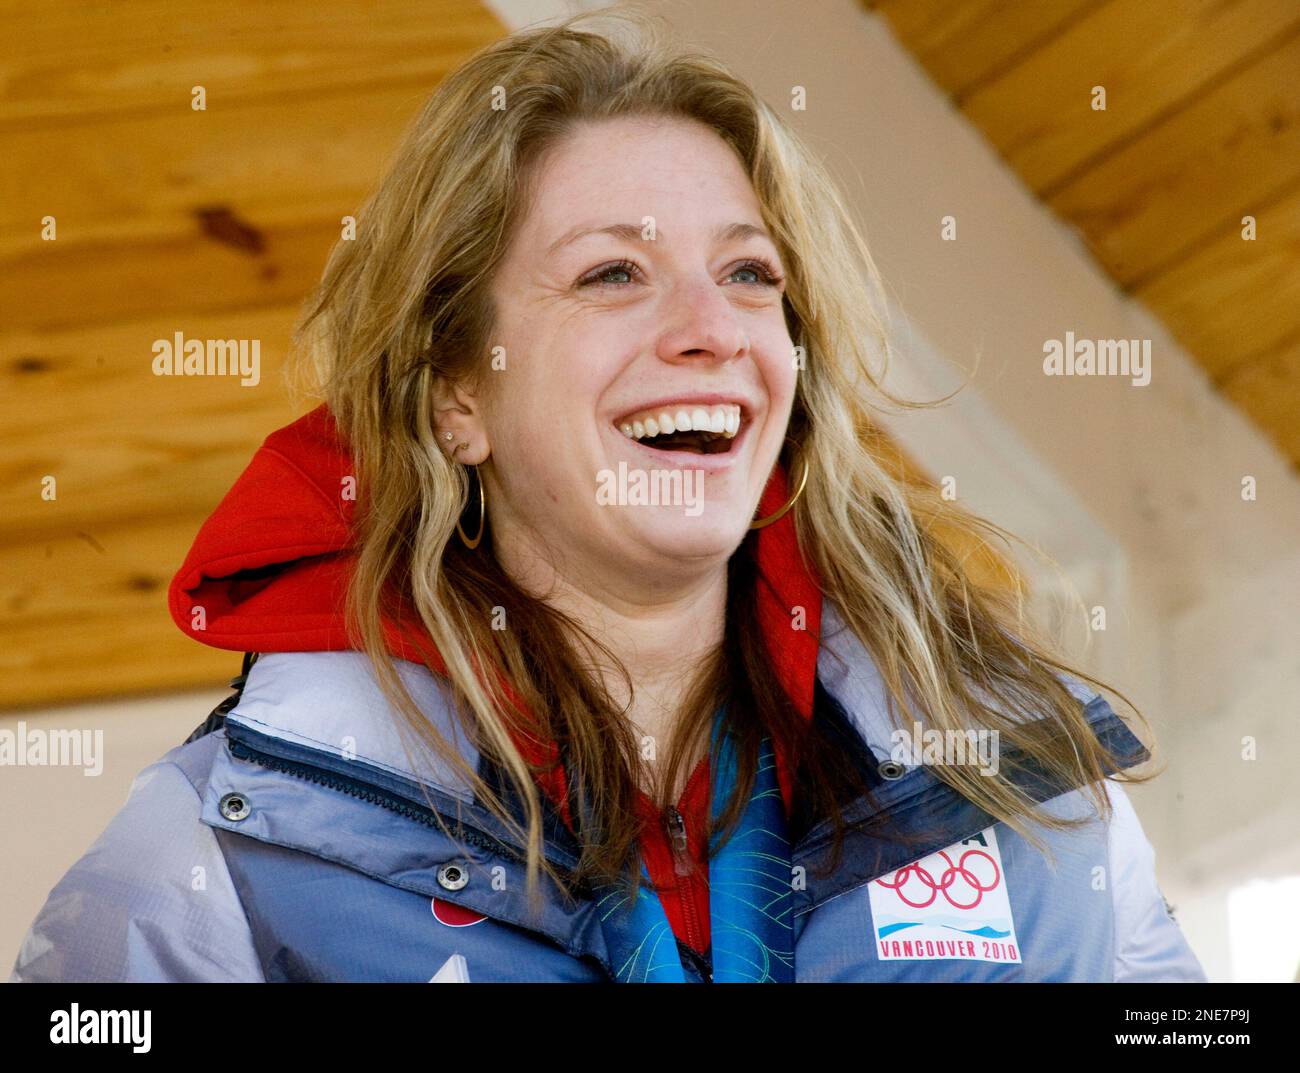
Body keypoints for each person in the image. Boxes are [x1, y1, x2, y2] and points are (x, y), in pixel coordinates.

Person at [10, 9, 1205, 983]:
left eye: (748, 272)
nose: (709, 328)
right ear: (451, 398)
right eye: (612, 272)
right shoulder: (223, 851)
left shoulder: (1019, 787)